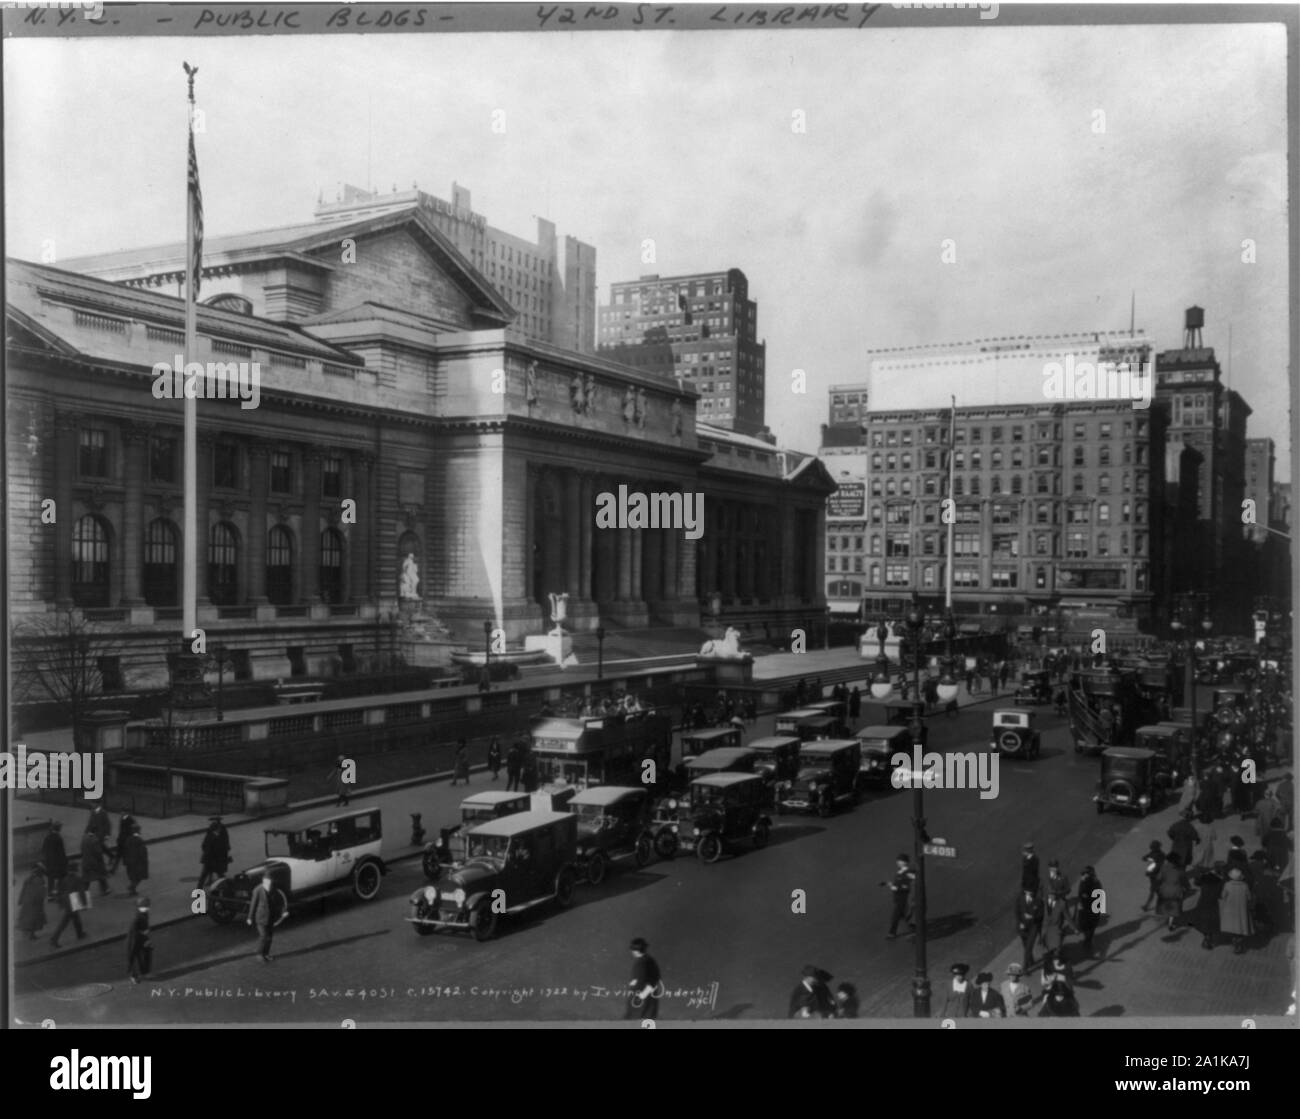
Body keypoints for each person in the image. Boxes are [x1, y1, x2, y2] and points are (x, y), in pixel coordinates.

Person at [247, 870, 288, 962]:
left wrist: (283, 912)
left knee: (269, 937)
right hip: (260, 919)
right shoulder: (257, 890)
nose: (269, 883)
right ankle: (259, 953)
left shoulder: (274, 890)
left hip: (270, 918)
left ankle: (266, 953)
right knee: (264, 936)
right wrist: (249, 917)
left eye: (270, 881)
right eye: (267, 881)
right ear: (263, 881)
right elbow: (253, 904)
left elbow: (280, 903)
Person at [1218, 867, 1254, 955]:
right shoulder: (1245, 885)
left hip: (1231, 910)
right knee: (1241, 926)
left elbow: (1223, 896)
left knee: (1232, 927)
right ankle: (1239, 944)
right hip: (1241, 910)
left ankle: (1235, 942)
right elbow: (1249, 897)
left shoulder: (1227, 885)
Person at [50, 869, 89, 949]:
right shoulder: (77, 879)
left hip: (67, 902)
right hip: (73, 902)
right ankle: (54, 939)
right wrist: (84, 903)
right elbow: (81, 892)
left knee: (76, 919)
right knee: (64, 922)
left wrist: (60, 902)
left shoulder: (65, 878)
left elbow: (59, 891)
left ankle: (80, 934)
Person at [626, 938, 662, 1020]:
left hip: (645, 999)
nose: (632, 952)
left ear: (637, 950)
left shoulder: (647, 961)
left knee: (644, 1020)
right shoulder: (643, 961)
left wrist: (642, 995)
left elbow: (653, 980)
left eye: (633, 949)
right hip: (638, 998)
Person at [1190, 866, 1223, 950]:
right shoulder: (1219, 883)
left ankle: (1207, 937)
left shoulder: (1204, 879)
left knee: (1203, 921)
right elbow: (1220, 895)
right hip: (1213, 904)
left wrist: (1199, 874)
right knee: (1211, 922)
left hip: (1203, 902)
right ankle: (1208, 937)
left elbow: (1196, 882)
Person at [885, 854, 916, 939]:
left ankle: (892, 933)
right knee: (903, 914)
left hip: (902, 897)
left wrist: (893, 886)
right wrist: (890, 885)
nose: (897, 862)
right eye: (898, 860)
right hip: (897, 896)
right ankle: (911, 925)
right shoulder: (900, 871)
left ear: (905, 862)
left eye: (900, 861)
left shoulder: (908, 872)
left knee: (895, 915)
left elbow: (913, 881)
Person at [1156, 852, 1190, 932]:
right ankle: (1170, 924)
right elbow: (1184, 881)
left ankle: (1164, 918)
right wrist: (1187, 887)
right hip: (1175, 891)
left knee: (1164, 904)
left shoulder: (1164, 867)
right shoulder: (1180, 870)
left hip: (1164, 889)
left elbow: (1158, 878)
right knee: (1173, 908)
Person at [1074, 865, 1104, 955]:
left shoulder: (1093, 883)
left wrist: (1082, 903)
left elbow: (1091, 897)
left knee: (1089, 927)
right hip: (1089, 909)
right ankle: (1088, 942)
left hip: (1091, 909)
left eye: (1085, 874)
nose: (1083, 876)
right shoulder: (1088, 882)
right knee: (1087, 927)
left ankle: (1088, 944)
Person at [198, 816, 231, 890]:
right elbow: (223, 846)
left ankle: (198, 891)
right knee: (219, 874)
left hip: (210, 860)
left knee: (204, 875)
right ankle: (226, 888)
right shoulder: (215, 834)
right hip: (214, 860)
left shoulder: (211, 833)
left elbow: (204, 846)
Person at [1015, 886, 1044, 971]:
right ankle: (1031, 961)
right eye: (1028, 891)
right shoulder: (1020, 899)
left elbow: (1041, 915)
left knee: (1028, 947)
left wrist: (1032, 917)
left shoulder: (1039, 901)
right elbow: (1017, 912)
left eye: (1031, 892)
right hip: (1022, 927)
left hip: (1033, 927)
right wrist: (1020, 923)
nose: (1030, 893)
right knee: (1025, 945)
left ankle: (1025, 967)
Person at [18, 863, 47, 940]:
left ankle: (28, 934)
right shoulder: (39, 880)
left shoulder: (28, 879)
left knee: (27, 919)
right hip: (35, 903)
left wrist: (20, 900)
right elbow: (40, 892)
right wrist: (42, 898)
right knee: (34, 919)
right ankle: (31, 935)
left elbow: (23, 890)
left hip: (27, 901)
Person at [126, 897, 152, 984]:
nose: (146, 908)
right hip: (135, 939)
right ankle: (134, 975)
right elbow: (135, 931)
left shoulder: (143, 914)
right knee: (134, 956)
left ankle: (143, 972)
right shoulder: (137, 917)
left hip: (141, 938)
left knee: (144, 954)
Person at [42, 821, 67, 902]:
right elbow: (61, 852)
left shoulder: (47, 837)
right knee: (61, 877)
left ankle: (50, 895)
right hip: (57, 862)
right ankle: (59, 893)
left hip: (49, 861)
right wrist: (64, 861)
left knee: (51, 878)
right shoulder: (58, 838)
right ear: (58, 828)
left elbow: (43, 849)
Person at [80, 829, 109, 897]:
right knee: (100, 874)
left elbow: (81, 849)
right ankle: (105, 889)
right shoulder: (95, 840)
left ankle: (84, 892)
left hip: (86, 861)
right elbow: (98, 853)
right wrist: (101, 860)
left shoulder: (84, 838)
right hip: (94, 862)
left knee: (87, 878)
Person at [121, 825, 149, 896]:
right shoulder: (140, 840)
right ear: (138, 831)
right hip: (137, 862)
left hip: (129, 862)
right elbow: (142, 852)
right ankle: (132, 887)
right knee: (139, 876)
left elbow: (125, 850)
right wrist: (144, 861)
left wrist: (125, 861)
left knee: (133, 876)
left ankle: (132, 889)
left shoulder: (128, 839)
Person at [1141, 841, 1165, 911]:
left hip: (1156, 875)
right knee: (1156, 891)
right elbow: (1144, 858)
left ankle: (1147, 906)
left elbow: (1158, 865)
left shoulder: (1160, 855)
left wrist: (1151, 860)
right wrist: (1150, 859)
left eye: (1152, 847)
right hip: (1153, 875)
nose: (1151, 848)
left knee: (1154, 891)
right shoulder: (1154, 853)